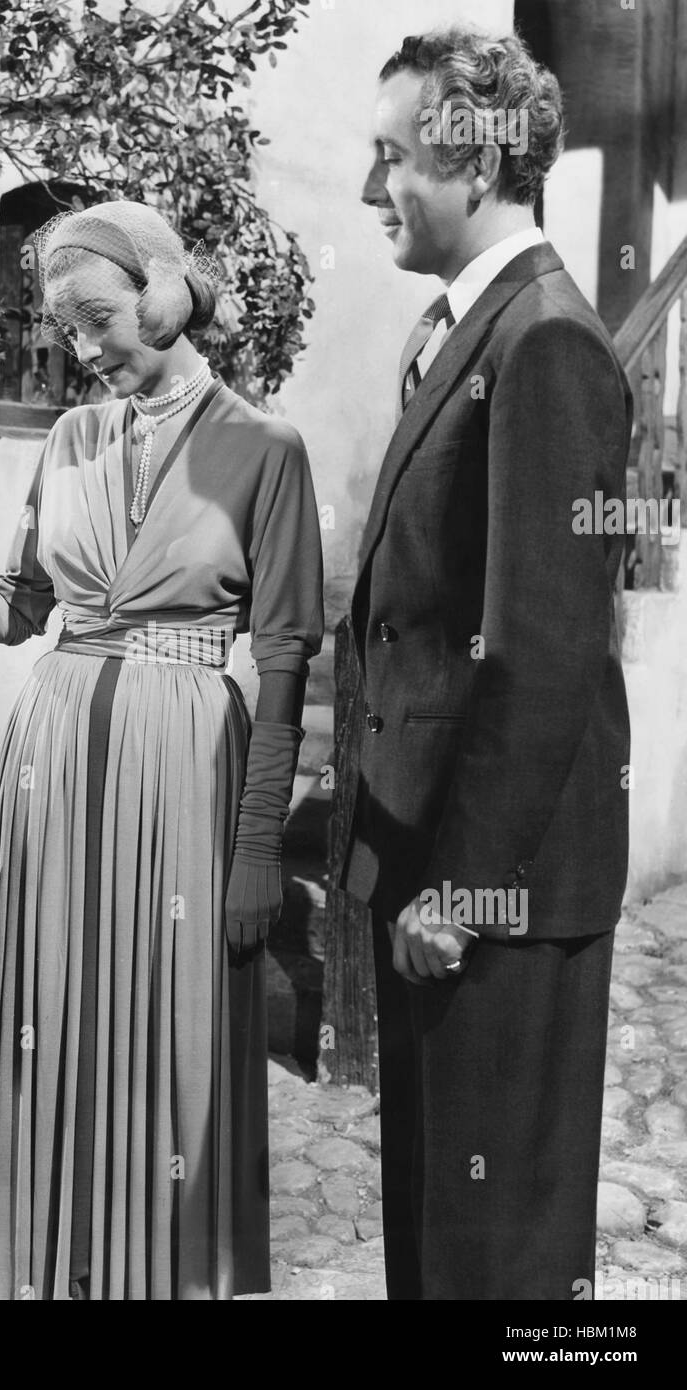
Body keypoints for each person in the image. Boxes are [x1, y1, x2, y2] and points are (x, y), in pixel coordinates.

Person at [0, 200, 324, 1300]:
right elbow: (20, 607)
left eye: (97, 319)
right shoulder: (71, 440)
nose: (83, 351)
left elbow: (281, 658)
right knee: (44, 1024)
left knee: (173, 1034)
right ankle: (52, 1273)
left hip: (185, 768)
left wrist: (257, 844)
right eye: (62, 332)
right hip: (53, 762)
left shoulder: (265, 450)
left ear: (164, 292)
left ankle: (166, 1276)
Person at [342, 26, 632, 1300]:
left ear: (472, 162)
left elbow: (541, 656)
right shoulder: (471, 327)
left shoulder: (544, 343)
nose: (370, 189)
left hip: (495, 890)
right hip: (441, 863)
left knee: (496, 1266)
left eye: (390, 157)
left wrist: (458, 893)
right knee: (440, 1246)